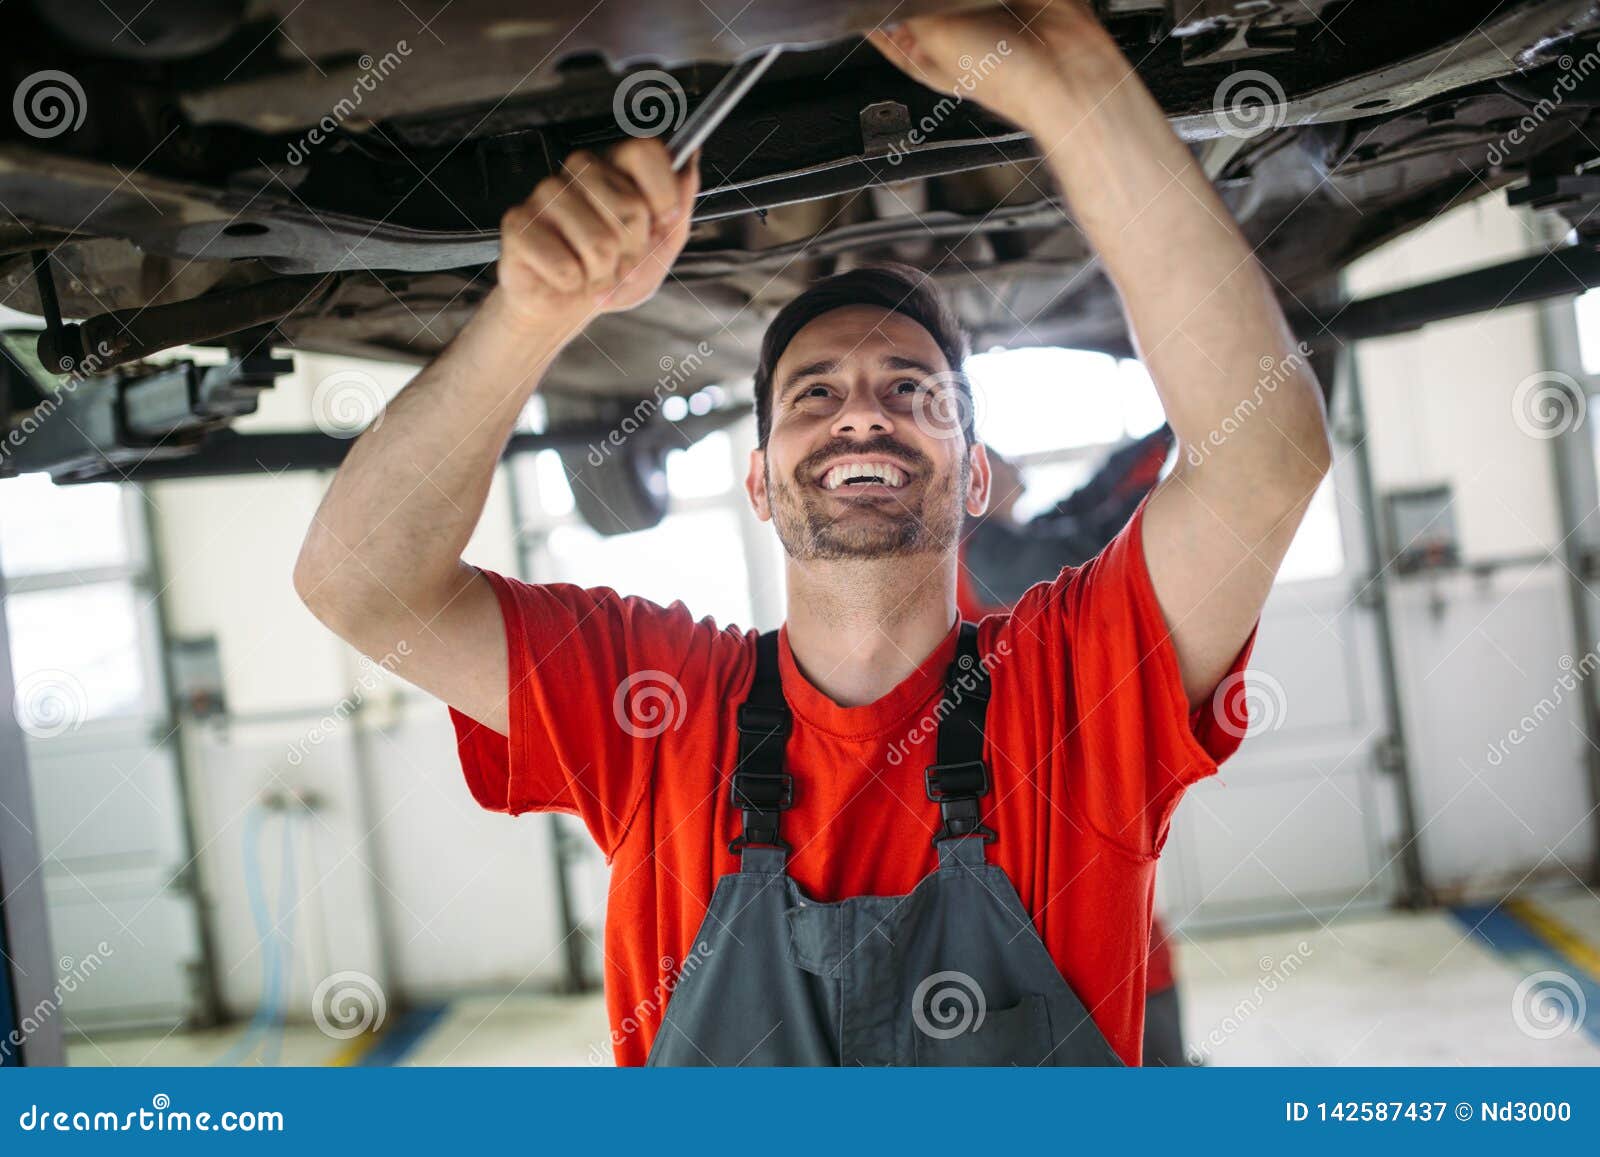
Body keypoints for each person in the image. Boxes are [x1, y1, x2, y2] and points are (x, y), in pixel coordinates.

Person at [293, 0, 1330, 1066]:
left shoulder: (1072, 693)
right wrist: (531, 316)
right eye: (813, 393)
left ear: (975, 474)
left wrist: (1074, 94)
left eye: (912, 388)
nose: (861, 412)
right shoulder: (657, 709)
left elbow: (1262, 465)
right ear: (756, 481)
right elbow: (360, 584)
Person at [955, 428, 1193, 1066]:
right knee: (1120, 949)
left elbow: (1085, 511)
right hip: (1032, 799)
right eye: (990, 453)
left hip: (1042, 787)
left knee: (1125, 940)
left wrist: (1167, 432)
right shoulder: (977, 552)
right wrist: (1192, 463)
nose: (1010, 458)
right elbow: (1094, 540)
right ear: (972, 479)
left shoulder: (994, 546)